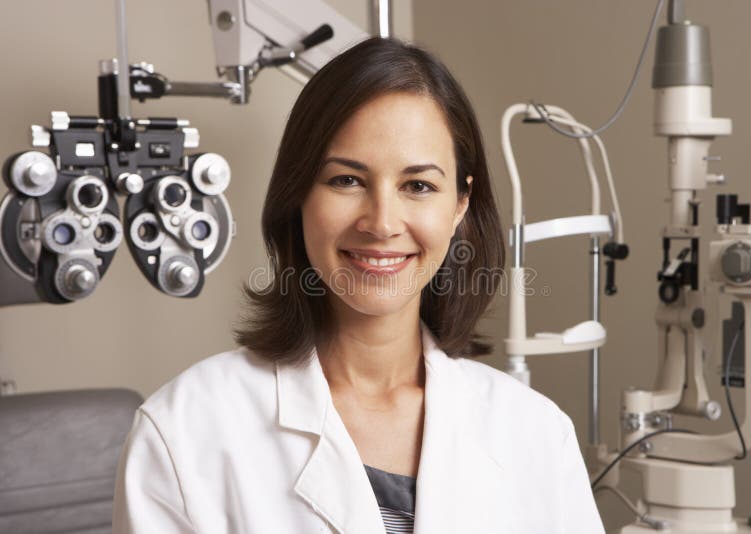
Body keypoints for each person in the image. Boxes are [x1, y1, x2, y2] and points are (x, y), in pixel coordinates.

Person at [112, 37, 604, 534]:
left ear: (459, 205)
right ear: (298, 191)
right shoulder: (185, 430)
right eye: (346, 180)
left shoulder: (538, 434)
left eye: (418, 186)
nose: (382, 222)